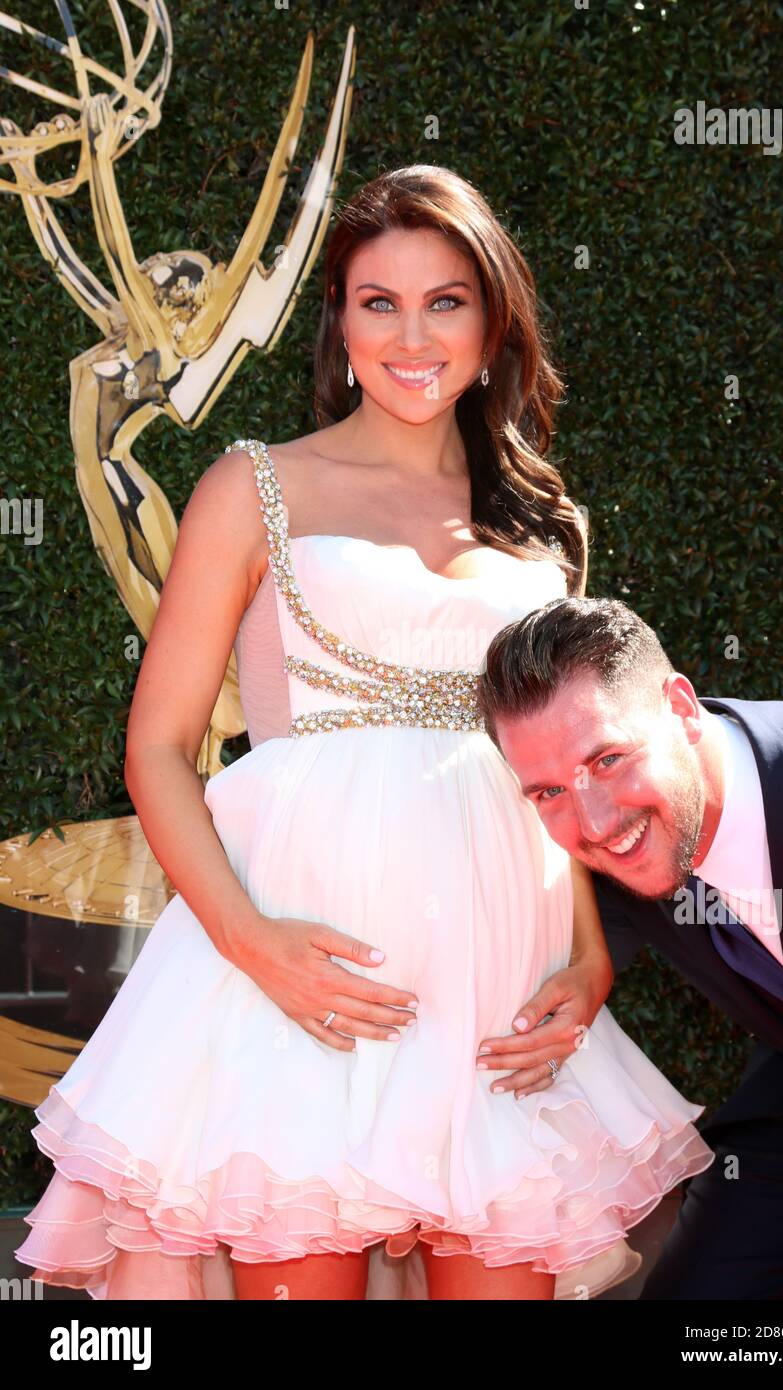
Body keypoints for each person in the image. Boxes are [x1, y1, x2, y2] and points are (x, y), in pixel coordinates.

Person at [14, 167, 713, 1303]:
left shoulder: (541, 529)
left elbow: (551, 774)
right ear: (337, 323)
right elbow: (157, 750)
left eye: (444, 299)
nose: (410, 332)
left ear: (490, 324)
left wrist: (586, 958)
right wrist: (250, 941)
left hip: (494, 993)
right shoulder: (252, 487)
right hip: (296, 985)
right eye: (375, 300)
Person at [475, 593, 783, 1300]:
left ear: (682, 710)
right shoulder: (615, 864)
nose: (593, 822)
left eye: (610, 758)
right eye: (548, 793)